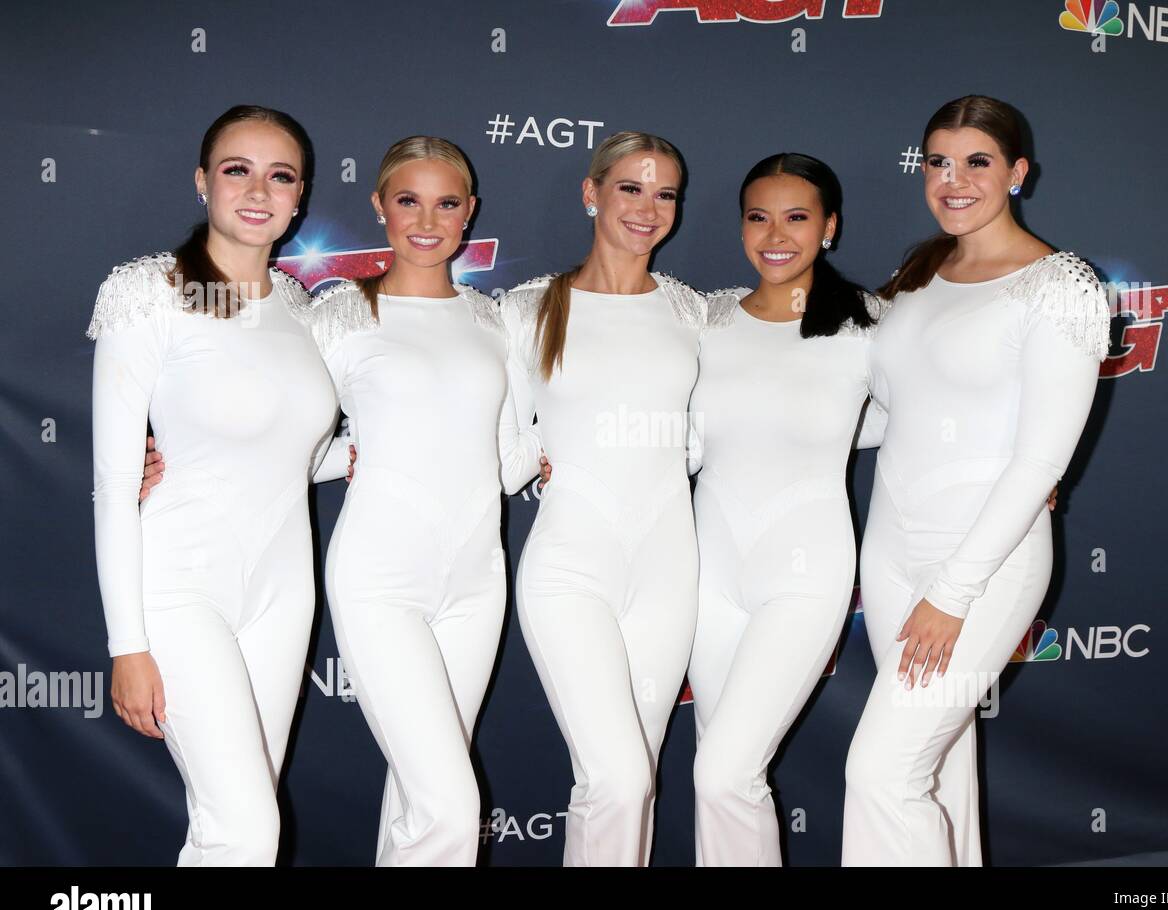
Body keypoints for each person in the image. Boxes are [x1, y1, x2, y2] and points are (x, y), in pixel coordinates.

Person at [841, 94, 1110, 866]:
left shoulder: (1059, 285)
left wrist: (953, 593)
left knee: (882, 773)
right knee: (938, 769)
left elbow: (1039, 461)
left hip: (981, 569)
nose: (954, 180)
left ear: (1018, 173)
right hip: (892, 553)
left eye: (978, 162)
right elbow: (897, 416)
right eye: (938, 162)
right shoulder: (920, 271)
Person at [89, 105, 337, 865]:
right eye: (238, 170)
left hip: (283, 594)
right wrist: (127, 645)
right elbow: (112, 480)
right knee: (248, 830)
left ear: (299, 198)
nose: (258, 189)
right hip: (179, 589)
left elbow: (296, 454)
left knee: (229, 827)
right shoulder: (150, 293)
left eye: (280, 175)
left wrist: (380, 455)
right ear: (204, 182)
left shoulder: (302, 312)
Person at [308, 136, 541, 865]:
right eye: (408, 200)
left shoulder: (491, 321)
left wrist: (599, 436)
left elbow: (509, 465)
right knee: (450, 804)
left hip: (477, 583)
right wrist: (351, 454)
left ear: (469, 213)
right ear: (380, 206)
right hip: (380, 578)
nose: (428, 219)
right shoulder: (339, 317)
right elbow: (282, 434)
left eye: (447, 203)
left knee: (419, 799)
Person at [500, 131, 707, 866]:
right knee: (617, 778)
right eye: (630, 187)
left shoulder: (692, 314)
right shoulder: (526, 310)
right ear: (592, 193)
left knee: (627, 785)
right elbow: (499, 456)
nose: (648, 207)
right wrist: (546, 454)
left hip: (667, 570)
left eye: (665, 193)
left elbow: (728, 432)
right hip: (569, 567)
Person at [686, 153, 882, 866]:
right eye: (758, 216)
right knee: (722, 770)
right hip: (709, 570)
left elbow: (926, 413)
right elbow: (673, 439)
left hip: (805, 568)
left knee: (722, 772)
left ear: (829, 227)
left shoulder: (870, 326)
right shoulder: (705, 322)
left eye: (797, 217)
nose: (775, 234)